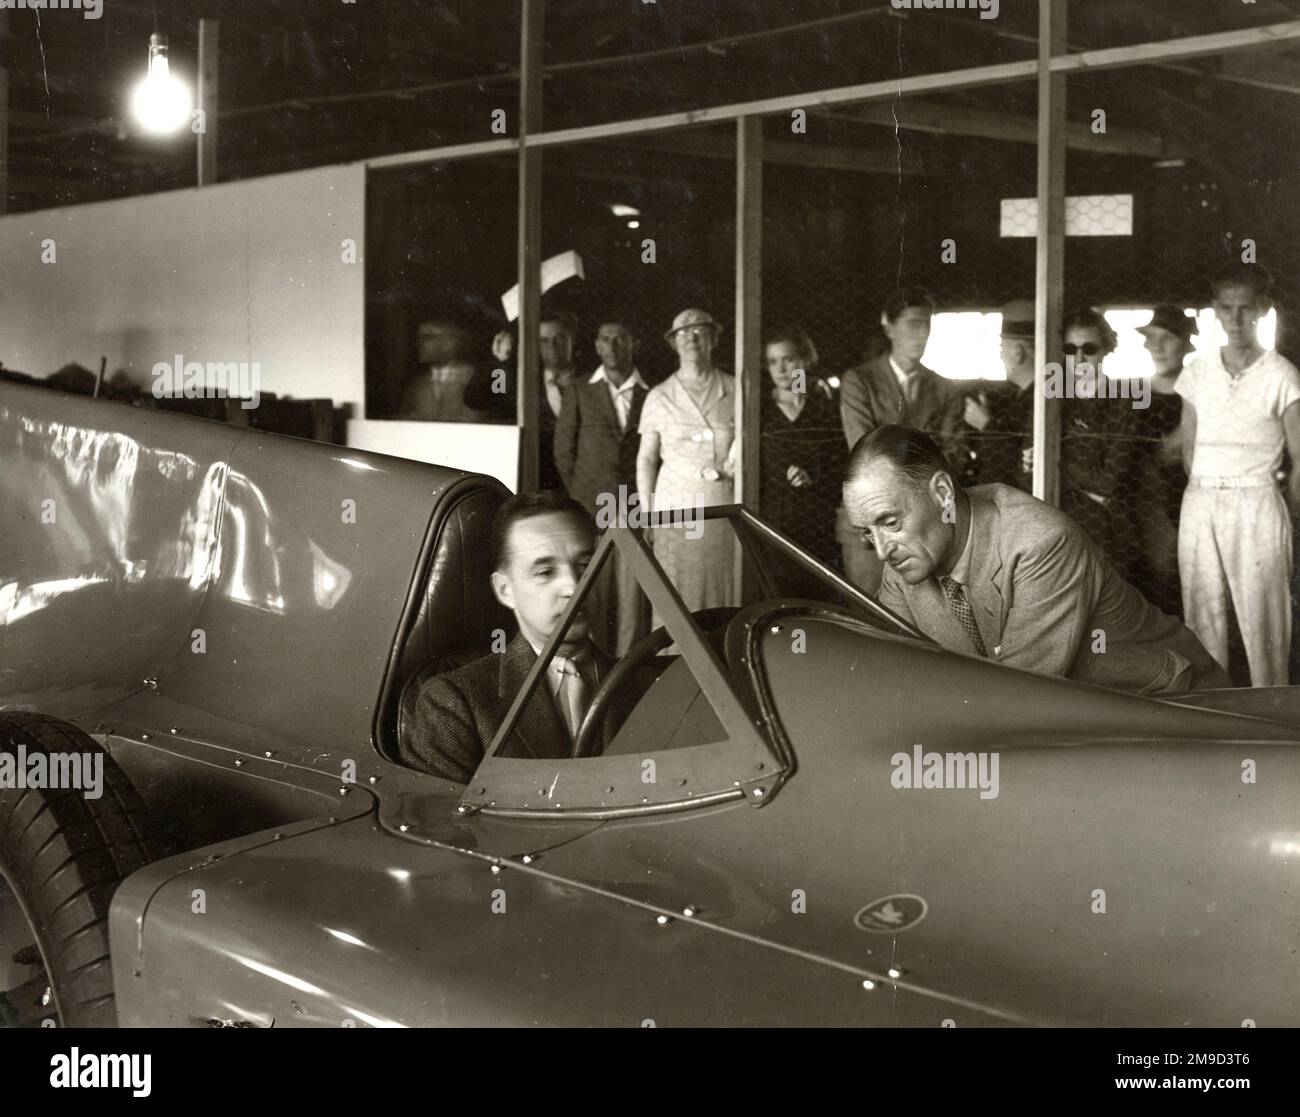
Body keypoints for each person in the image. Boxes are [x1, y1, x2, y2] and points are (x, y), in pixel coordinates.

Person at [844, 425, 1228, 694]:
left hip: (1175, 710)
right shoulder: (904, 562)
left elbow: (1015, 696)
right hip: (1067, 722)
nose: (880, 550)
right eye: (866, 533)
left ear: (942, 492)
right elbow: (895, 679)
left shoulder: (1040, 542)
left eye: (890, 523)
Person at [400, 491, 624, 783]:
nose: (574, 586)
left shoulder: (648, 683)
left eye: (586, 566)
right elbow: (440, 823)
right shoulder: (454, 704)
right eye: (545, 572)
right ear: (505, 590)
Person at [1177, 265, 1300, 687]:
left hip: (1257, 501)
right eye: (1225, 309)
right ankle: (1213, 718)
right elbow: (1188, 449)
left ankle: (1273, 715)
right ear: (1215, 311)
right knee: (1202, 612)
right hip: (1202, 499)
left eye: (1245, 309)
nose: (1235, 319)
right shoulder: (1196, 371)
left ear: (1262, 310)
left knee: (1264, 617)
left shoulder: (1282, 375)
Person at [835, 287, 967, 595]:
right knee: (873, 617)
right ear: (888, 325)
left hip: (927, 525)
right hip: (869, 527)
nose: (921, 334)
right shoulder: (859, 381)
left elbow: (954, 455)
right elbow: (865, 452)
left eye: (927, 325)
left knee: (923, 627)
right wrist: (926, 449)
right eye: (912, 324)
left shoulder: (946, 389)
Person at [554, 318, 652, 655]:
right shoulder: (580, 389)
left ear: (633, 344)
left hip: (634, 509)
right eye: (605, 339)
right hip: (591, 509)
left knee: (631, 596)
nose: (612, 347)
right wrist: (584, 493)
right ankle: (592, 663)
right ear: (596, 345)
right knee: (593, 591)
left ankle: (627, 665)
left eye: (620, 339)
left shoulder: (650, 393)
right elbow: (563, 451)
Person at [636, 308, 736, 614]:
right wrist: (648, 513)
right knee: (678, 594)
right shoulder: (659, 395)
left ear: (714, 338)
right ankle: (673, 660)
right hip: (674, 510)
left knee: (724, 589)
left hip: (723, 506)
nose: (691, 337)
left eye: (699, 330)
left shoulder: (735, 389)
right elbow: (646, 459)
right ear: (673, 342)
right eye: (683, 332)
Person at [1056, 306, 1143, 585]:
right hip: (1058, 520)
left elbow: (1109, 482)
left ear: (1106, 349)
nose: (1079, 358)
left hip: (1107, 527)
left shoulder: (1124, 402)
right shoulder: (1053, 401)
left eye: (1089, 348)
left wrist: (1055, 464)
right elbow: (1025, 473)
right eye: (1070, 348)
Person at [758, 325, 845, 585]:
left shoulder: (824, 408)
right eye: (773, 362)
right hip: (772, 519)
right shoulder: (760, 410)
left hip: (816, 519)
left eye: (788, 359)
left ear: (805, 359)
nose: (781, 369)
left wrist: (814, 477)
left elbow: (841, 463)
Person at [1131, 304, 1198, 616]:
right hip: (1150, 506)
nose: (1156, 346)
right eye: (1151, 338)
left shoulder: (1201, 391)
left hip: (1197, 500)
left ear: (1185, 344)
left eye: (1166, 338)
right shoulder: (1136, 394)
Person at [964, 298, 1036, 489]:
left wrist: (986, 425)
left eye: (1001, 349)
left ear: (1017, 352)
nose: (1000, 356)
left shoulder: (1041, 402)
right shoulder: (1021, 395)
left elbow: (1021, 464)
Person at [397, 317, 486, 422]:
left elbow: (476, 423)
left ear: (449, 343)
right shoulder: (417, 384)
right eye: (418, 338)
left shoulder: (474, 379)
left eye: (427, 337)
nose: (419, 343)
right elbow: (401, 423)